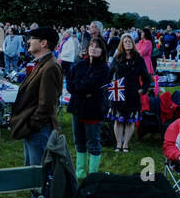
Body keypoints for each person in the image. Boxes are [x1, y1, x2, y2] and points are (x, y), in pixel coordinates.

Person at [8, 29, 60, 167]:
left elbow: (47, 104)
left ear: (43, 43)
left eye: (32, 38)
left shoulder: (50, 67)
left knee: (38, 176)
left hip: (39, 129)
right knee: (31, 172)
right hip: (34, 128)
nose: (29, 41)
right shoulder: (42, 64)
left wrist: (32, 125)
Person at [65, 37, 110, 178]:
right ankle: (80, 173)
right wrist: (82, 89)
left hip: (93, 109)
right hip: (77, 107)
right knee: (79, 141)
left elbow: (92, 85)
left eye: (97, 46)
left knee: (93, 142)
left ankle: (93, 175)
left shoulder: (103, 68)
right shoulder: (80, 64)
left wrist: (81, 87)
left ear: (102, 50)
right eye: (91, 45)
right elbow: (70, 83)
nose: (93, 48)